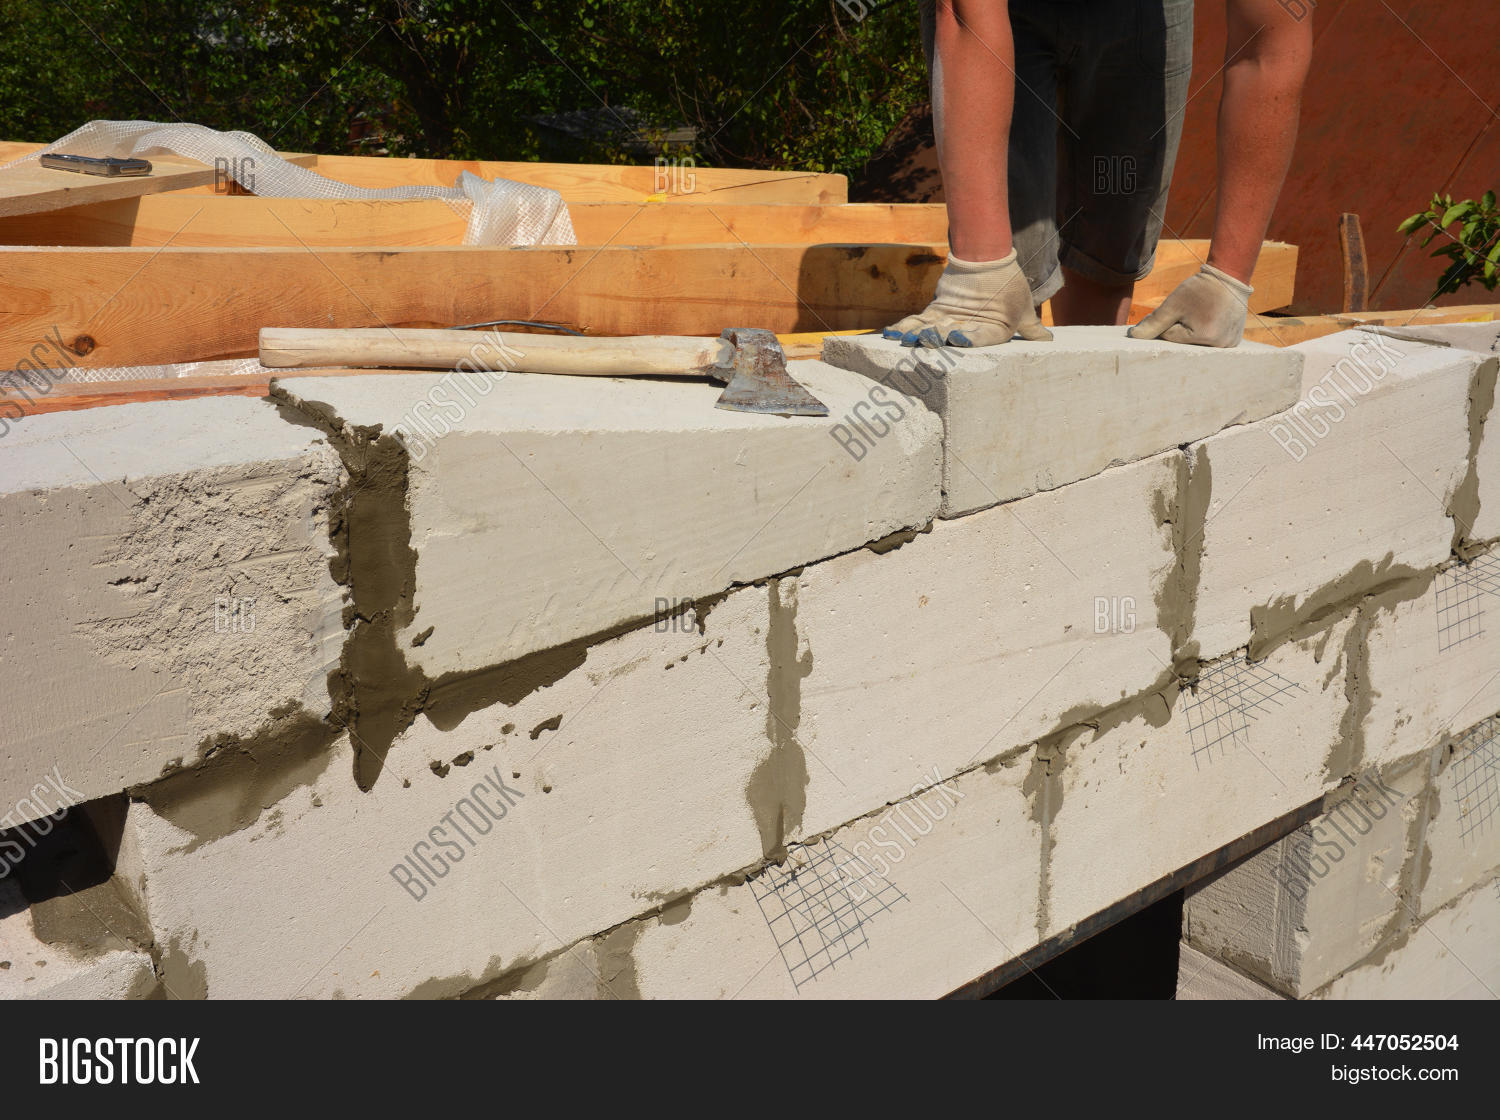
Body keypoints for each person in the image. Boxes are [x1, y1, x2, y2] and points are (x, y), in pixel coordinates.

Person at [885, 0, 1313, 349]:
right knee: (1004, 286)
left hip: (1141, 14)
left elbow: (1269, 46)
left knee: (1106, 256)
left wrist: (1228, 279)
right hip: (1000, 12)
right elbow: (965, 10)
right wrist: (978, 273)